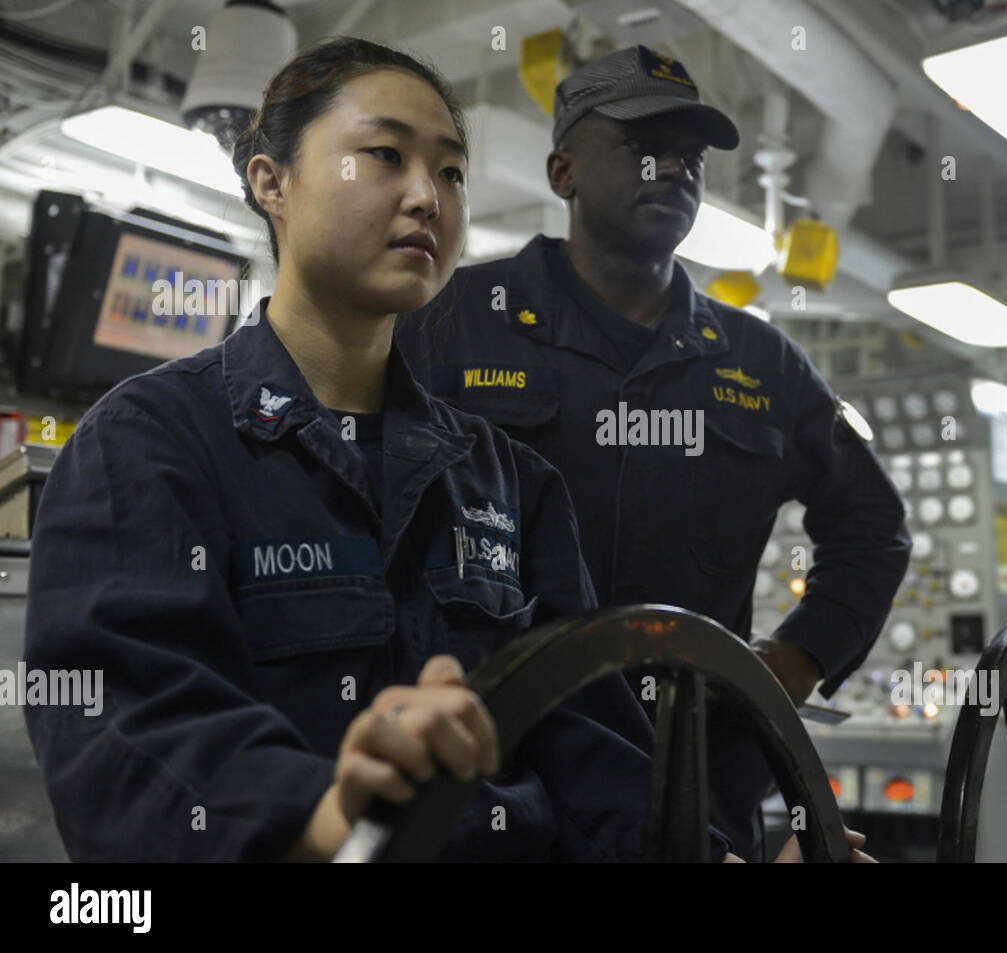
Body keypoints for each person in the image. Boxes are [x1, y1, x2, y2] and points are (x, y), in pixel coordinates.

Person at [23, 37, 763, 863]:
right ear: (273, 183)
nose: (427, 197)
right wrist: (338, 815)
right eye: (384, 155)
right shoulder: (148, 443)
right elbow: (124, 730)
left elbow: (590, 749)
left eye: (450, 173)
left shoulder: (514, 484)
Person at [395, 45, 912, 860]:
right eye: (642, 145)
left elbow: (873, 524)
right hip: (496, 783)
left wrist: (799, 656)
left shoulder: (761, 363)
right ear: (563, 171)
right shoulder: (453, 322)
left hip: (694, 791)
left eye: (691, 157)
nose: (673, 168)